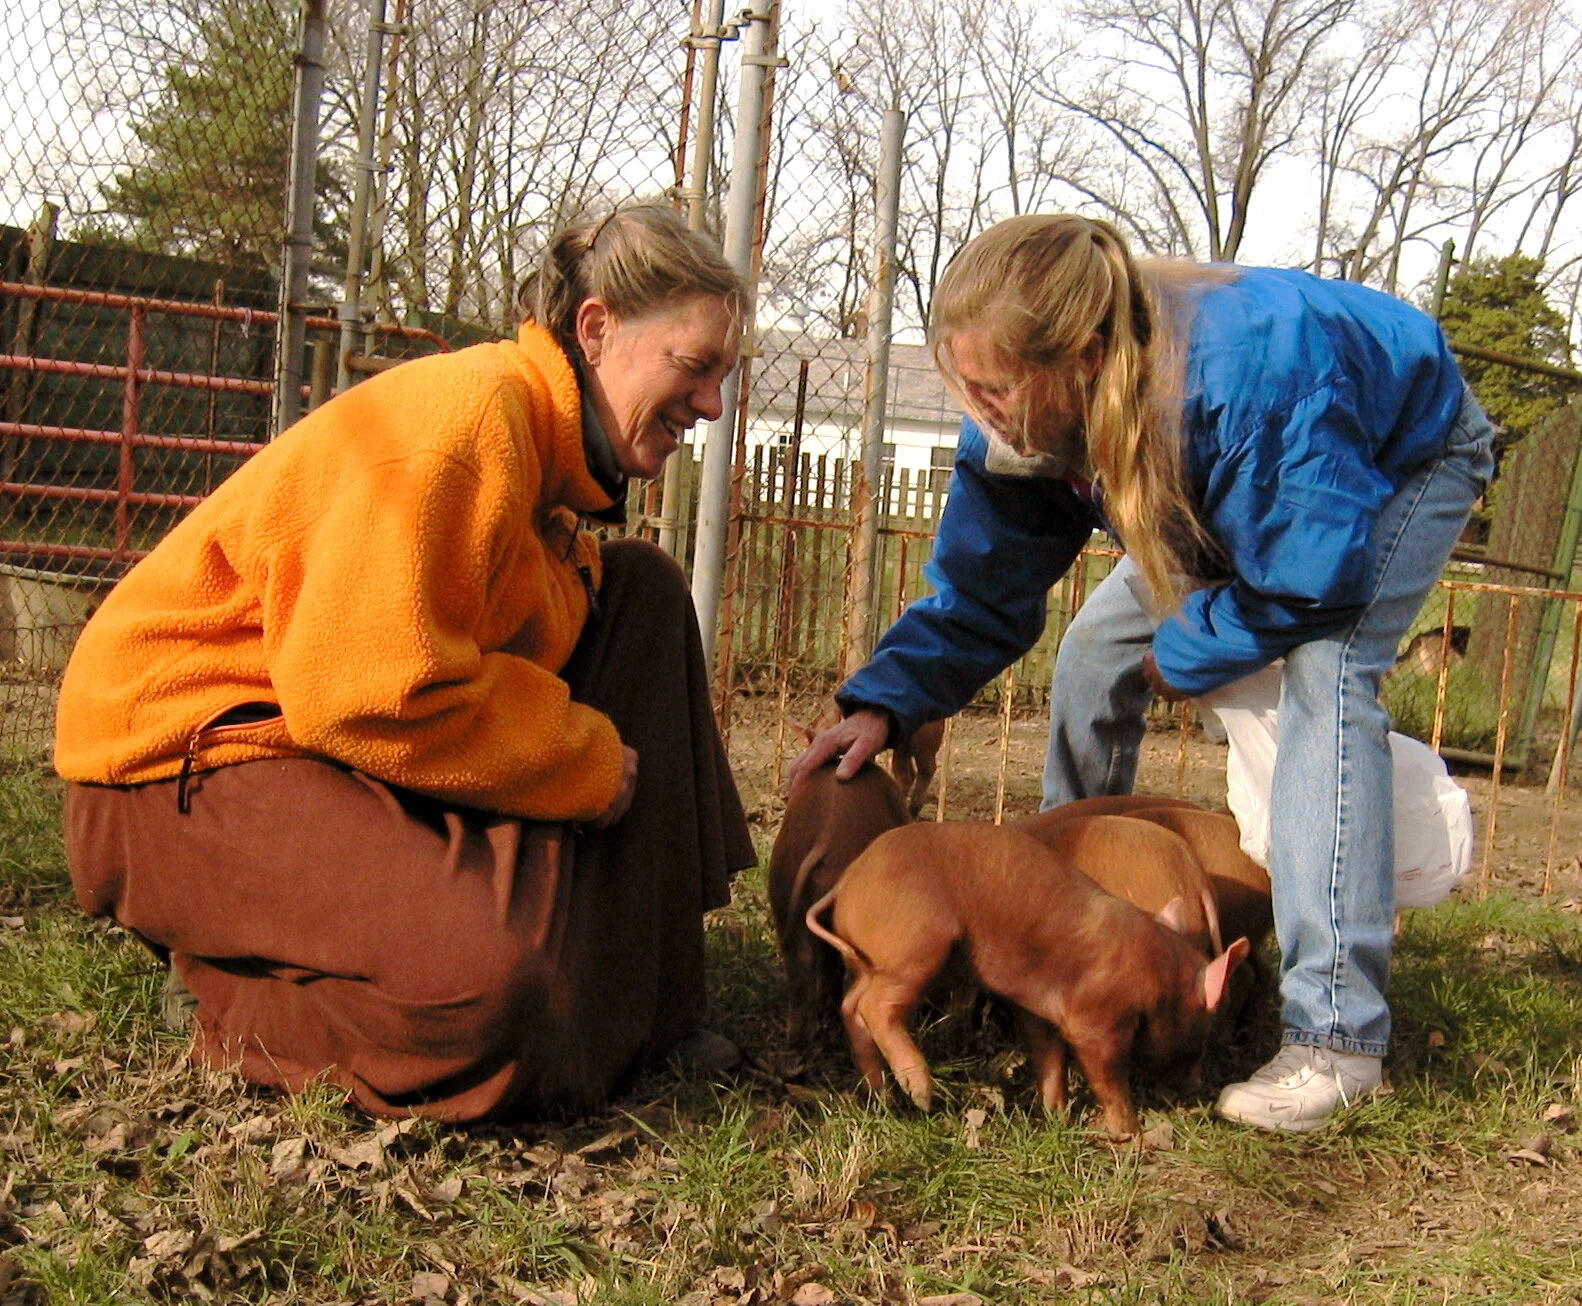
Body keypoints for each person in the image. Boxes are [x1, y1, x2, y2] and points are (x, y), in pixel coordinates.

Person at [793, 214, 1493, 1132]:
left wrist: (1190, 647)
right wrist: (883, 702)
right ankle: (1067, 940)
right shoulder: (1020, 420)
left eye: (995, 390)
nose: (981, 414)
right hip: (1226, 485)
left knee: (1329, 676)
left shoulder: (1247, 385)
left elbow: (1311, 584)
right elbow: (981, 594)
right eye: (967, 388)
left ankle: (1336, 1036)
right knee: (1093, 653)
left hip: (1388, 463)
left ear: (1081, 358)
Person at [56, 205, 757, 1121]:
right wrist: (576, 757)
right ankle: (229, 990)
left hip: (308, 737)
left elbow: (498, 641)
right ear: (597, 329)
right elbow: (364, 697)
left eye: (721, 379)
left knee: (645, 593)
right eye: (694, 367)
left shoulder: (553, 476)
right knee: (497, 986)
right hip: (178, 764)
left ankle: (652, 1010)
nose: (709, 405)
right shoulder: (466, 426)